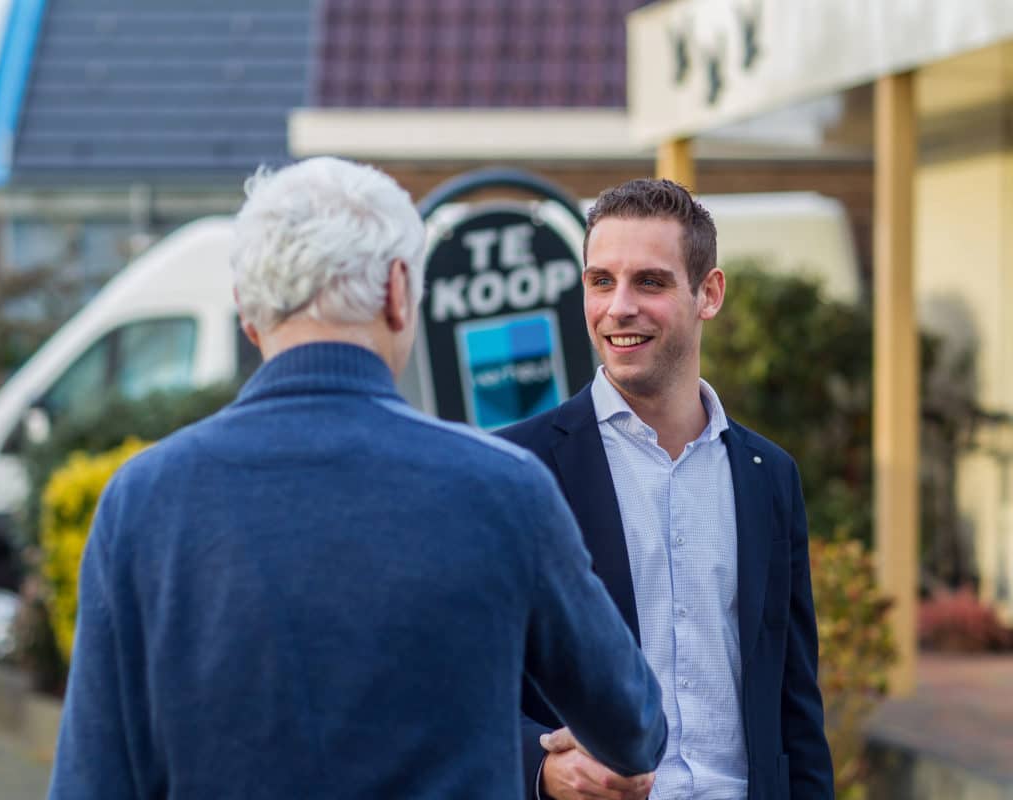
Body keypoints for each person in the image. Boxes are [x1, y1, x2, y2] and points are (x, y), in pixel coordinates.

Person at [48, 157, 667, 799]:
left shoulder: (143, 502)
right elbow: (633, 728)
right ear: (399, 291)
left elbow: (92, 781)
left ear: (247, 312)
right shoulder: (504, 489)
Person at [499, 178, 834, 800]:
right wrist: (540, 770)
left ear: (709, 292)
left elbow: (795, 704)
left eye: (648, 282)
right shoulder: (515, 467)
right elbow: (455, 687)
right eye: (601, 281)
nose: (618, 307)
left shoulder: (770, 475)